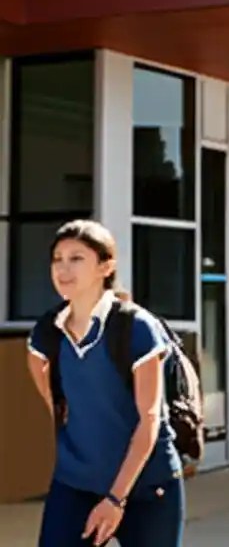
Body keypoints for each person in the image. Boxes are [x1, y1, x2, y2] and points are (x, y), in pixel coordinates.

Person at [27, 220, 185, 547]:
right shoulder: (47, 332)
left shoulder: (136, 326)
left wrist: (115, 499)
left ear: (106, 266)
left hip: (147, 486)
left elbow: (150, 419)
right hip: (76, 482)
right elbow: (53, 397)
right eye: (57, 259)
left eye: (76, 258)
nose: (63, 268)